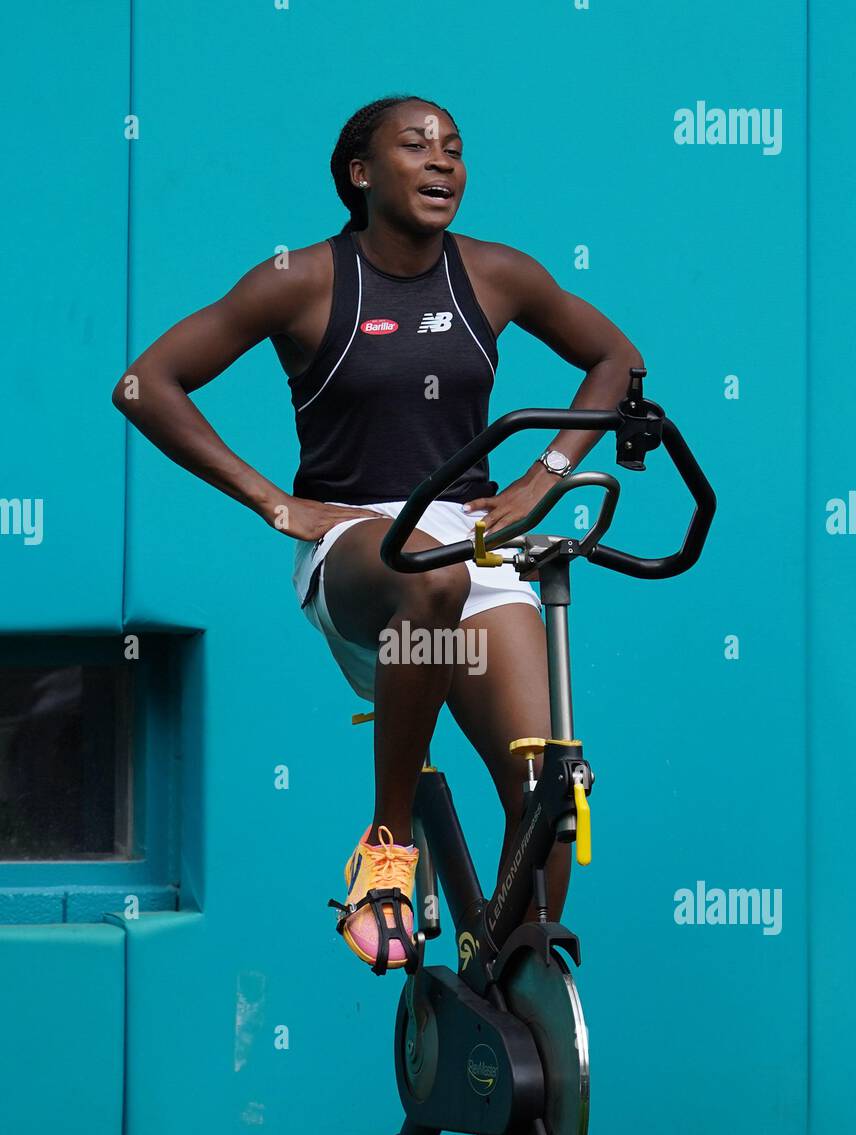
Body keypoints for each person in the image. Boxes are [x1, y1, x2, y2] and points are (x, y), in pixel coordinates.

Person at [112, 93, 643, 973]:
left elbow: (616, 359)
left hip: (474, 547)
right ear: (361, 174)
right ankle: (387, 842)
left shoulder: (498, 273)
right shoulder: (301, 279)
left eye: (455, 148)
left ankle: (503, 999)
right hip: (359, 550)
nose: (442, 163)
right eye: (416, 146)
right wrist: (275, 504)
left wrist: (543, 479)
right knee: (422, 577)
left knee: (548, 784)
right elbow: (145, 385)